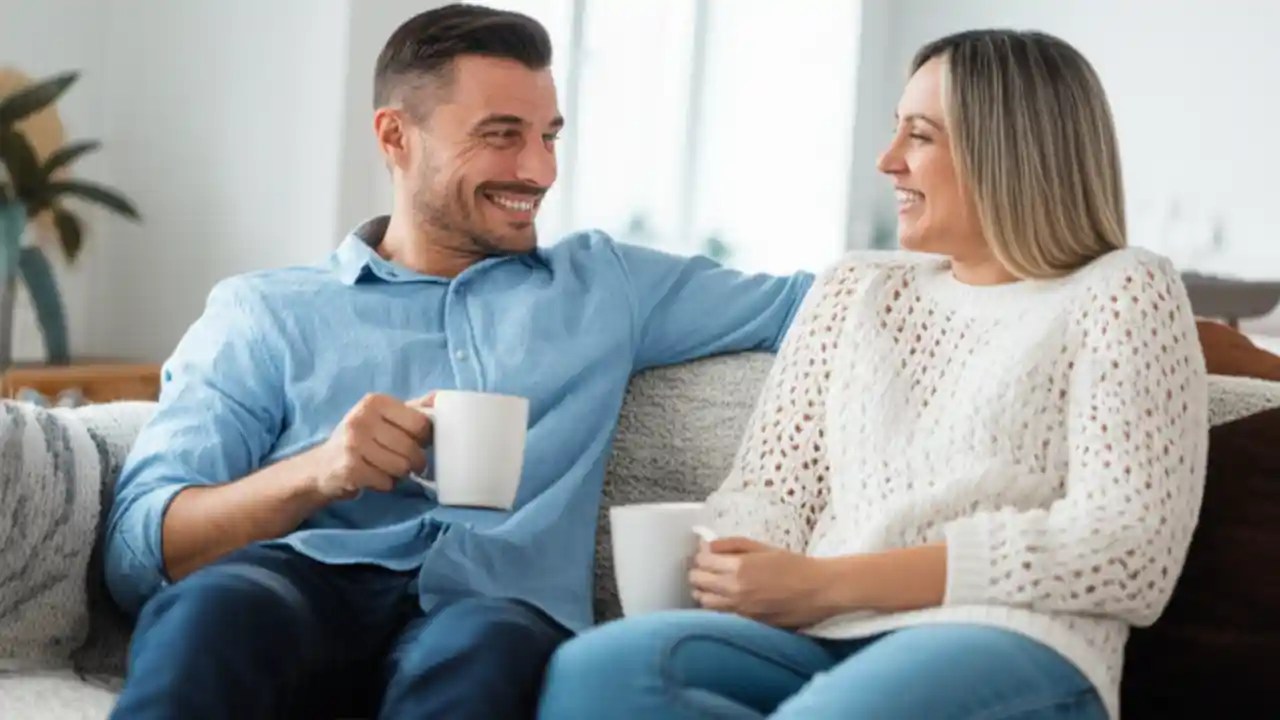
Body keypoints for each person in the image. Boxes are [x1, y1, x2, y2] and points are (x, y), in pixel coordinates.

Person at [103, 5, 813, 719]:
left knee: (484, 650)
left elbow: (819, 307)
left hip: (494, 608)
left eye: (548, 136)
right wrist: (318, 471)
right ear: (395, 136)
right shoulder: (263, 313)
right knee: (218, 611)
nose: (538, 169)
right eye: (501, 136)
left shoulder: (608, 286)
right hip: (302, 589)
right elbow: (139, 552)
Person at [538, 29, 1208, 720]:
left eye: (919, 136)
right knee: (601, 671)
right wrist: (739, 573)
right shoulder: (857, 288)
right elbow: (771, 492)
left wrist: (827, 583)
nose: (889, 162)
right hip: (815, 636)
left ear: (1005, 150)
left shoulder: (1126, 289)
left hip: (1002, 634)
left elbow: (1125, 553)